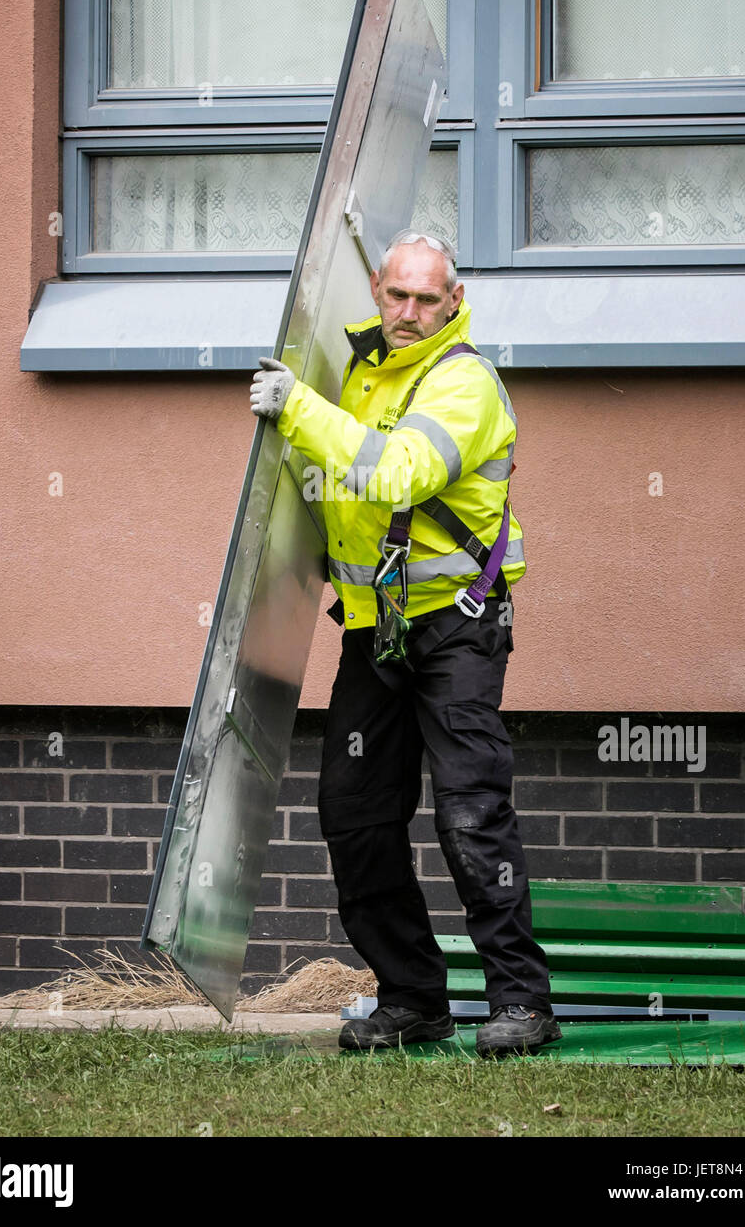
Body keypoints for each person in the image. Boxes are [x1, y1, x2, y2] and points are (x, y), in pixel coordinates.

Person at [249, 229, 560, 1056]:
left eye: (428, 298)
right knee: (353, 813)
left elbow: (396, 473)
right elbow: (334, 485)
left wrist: (297, 406)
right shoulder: (358, 374)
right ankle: (413, 998)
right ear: (377, 293)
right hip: (376, 628)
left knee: (469, 813)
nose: (410, 311)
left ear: (454, 301)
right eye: (397, 294)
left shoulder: (464, 381)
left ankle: (522, 1003)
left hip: (458, 625)